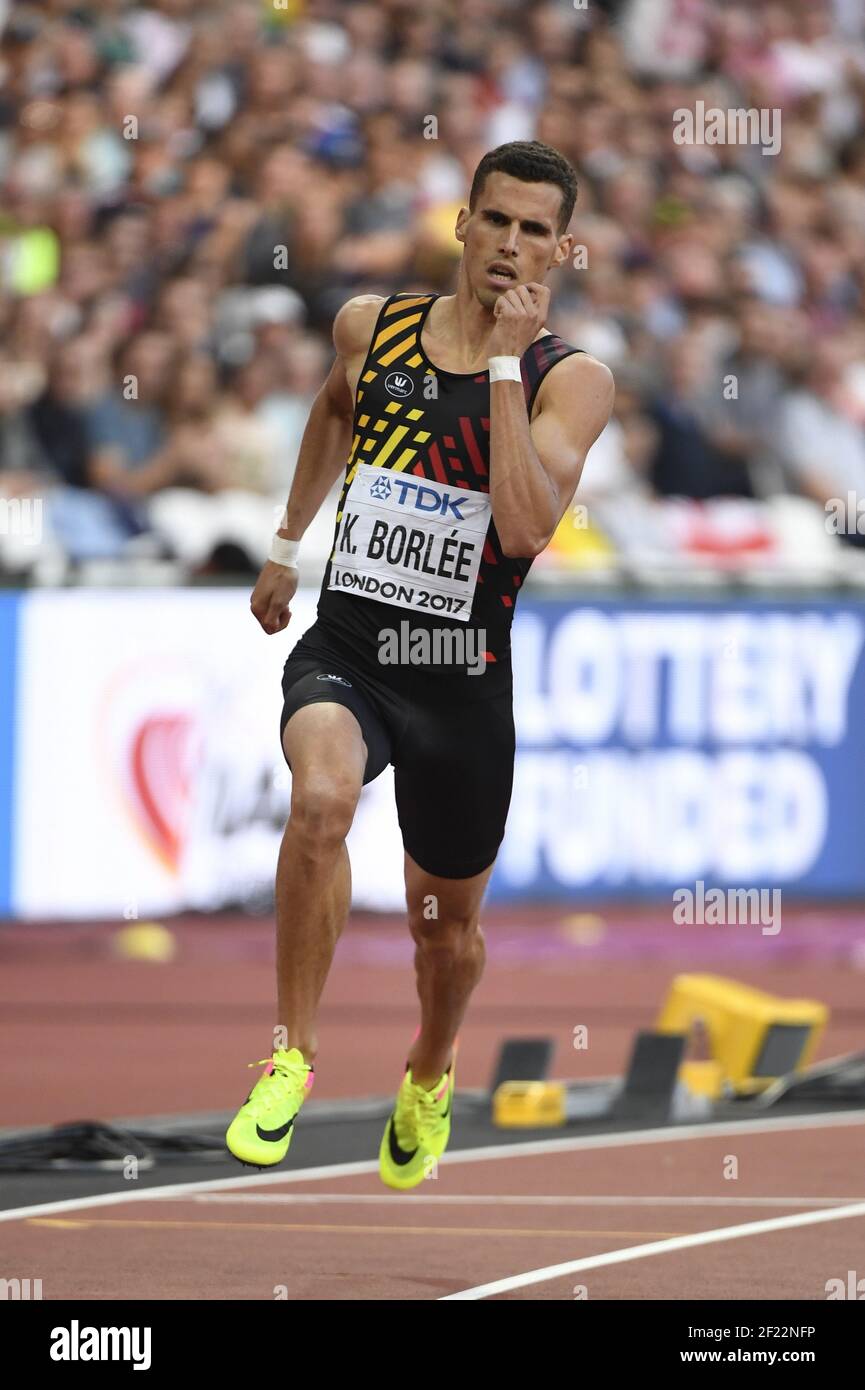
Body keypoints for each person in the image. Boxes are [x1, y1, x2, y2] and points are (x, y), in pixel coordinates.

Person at [225, 140, 614, 1187]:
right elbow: (334, 413)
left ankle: (431, 1064)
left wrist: (497, 362)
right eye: (497, 220)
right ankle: (291, 1058)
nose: (511, 245)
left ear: (562, 250)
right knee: (319, 798)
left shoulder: (569, 382)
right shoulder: (372, 325)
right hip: (352, 646)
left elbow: (527, 530)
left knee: (443, 935)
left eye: (536, 230)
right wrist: (283, 546)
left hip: (461, 677)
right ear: (463, 223)